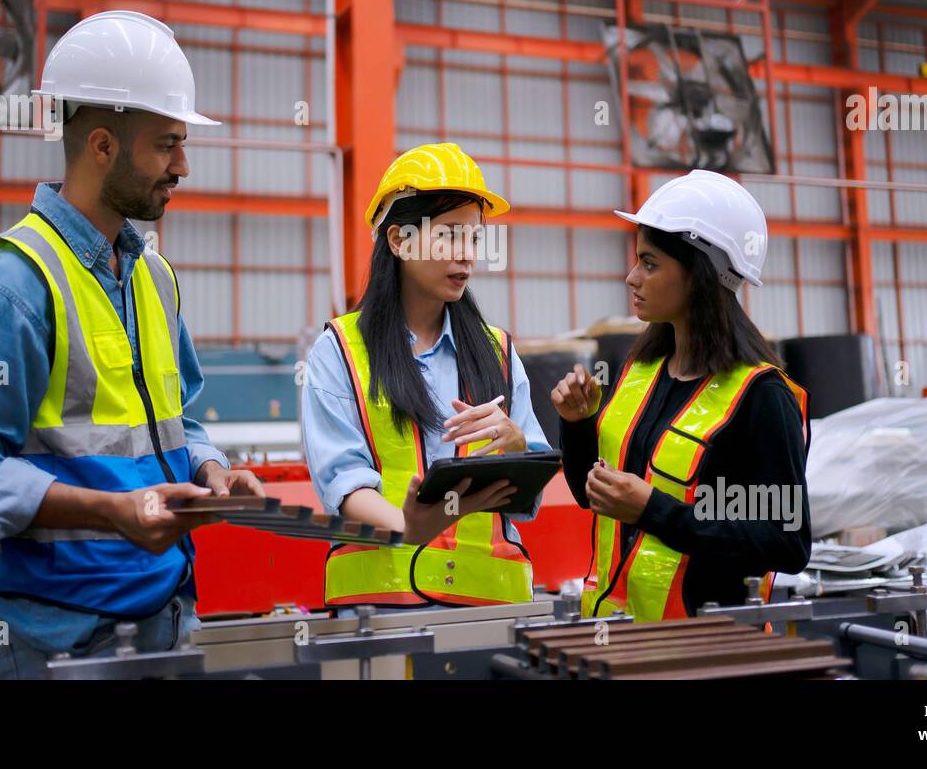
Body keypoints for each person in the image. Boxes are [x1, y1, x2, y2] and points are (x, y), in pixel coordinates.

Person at [0, 11, 262, 678]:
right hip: (53, 636)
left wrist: (210, 472)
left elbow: (176, 421)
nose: (183, 166)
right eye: (166, 144)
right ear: (102, 146)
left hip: (166, 613)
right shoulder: (9, 285)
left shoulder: (152, 278)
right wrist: (111, 513)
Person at [550, 170, 811, 621]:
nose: (633, 277)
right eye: (637, 260)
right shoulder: (642, 373)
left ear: (701, 275)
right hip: (617, 639)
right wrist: (577, 426)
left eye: (650, 263)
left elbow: (786, 542)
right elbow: (590, 494)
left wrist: (656, 511)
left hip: (705, 651)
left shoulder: (761, 396)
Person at [301, 142, 552, 608]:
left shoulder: (498, 351)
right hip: (380, 608)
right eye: (450, 235)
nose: (467, 255)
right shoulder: (340, 351)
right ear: (398, 241)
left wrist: (517, 444)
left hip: (491, 608)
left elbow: (528, 486)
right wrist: (406, 527)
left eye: (474, 239)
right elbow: (343, 479)